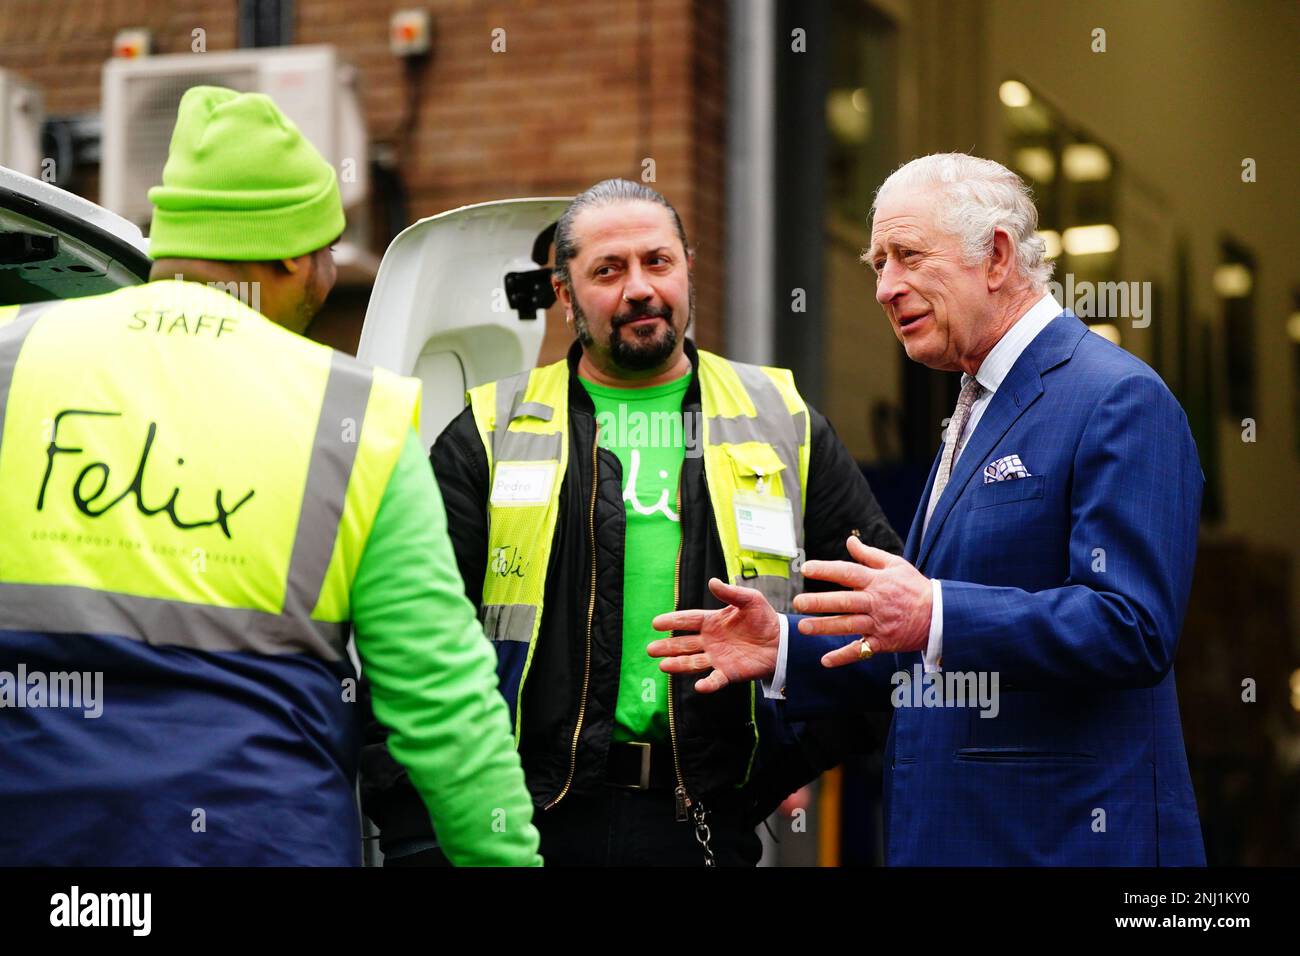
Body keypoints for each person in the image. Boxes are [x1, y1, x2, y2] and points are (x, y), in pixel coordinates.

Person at [0, 86, 540, 866]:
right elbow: (443, 703)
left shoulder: (13, 356)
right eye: (328, 249)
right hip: (259, 842)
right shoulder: (356, 416)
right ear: (292, 255)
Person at [650, 153, 1205, 866]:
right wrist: (784, 647)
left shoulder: (1118, 398)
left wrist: (935, 612)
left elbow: (1131, 627)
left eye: (908, 256)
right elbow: (925, 652)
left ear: (996, 256)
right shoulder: (978, 405)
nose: (885, 288)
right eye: (877, 263)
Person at [361, 178, 901, 866]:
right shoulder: (491, 430)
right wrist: (418, 832)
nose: (639, 288)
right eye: (608, 271)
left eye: (657, 261)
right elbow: (408, 637)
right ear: (564, 294)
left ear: (688, 269)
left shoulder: (781, 420)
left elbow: (882, 620)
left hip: (701, 826)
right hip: (522, 821)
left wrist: (776, 758)